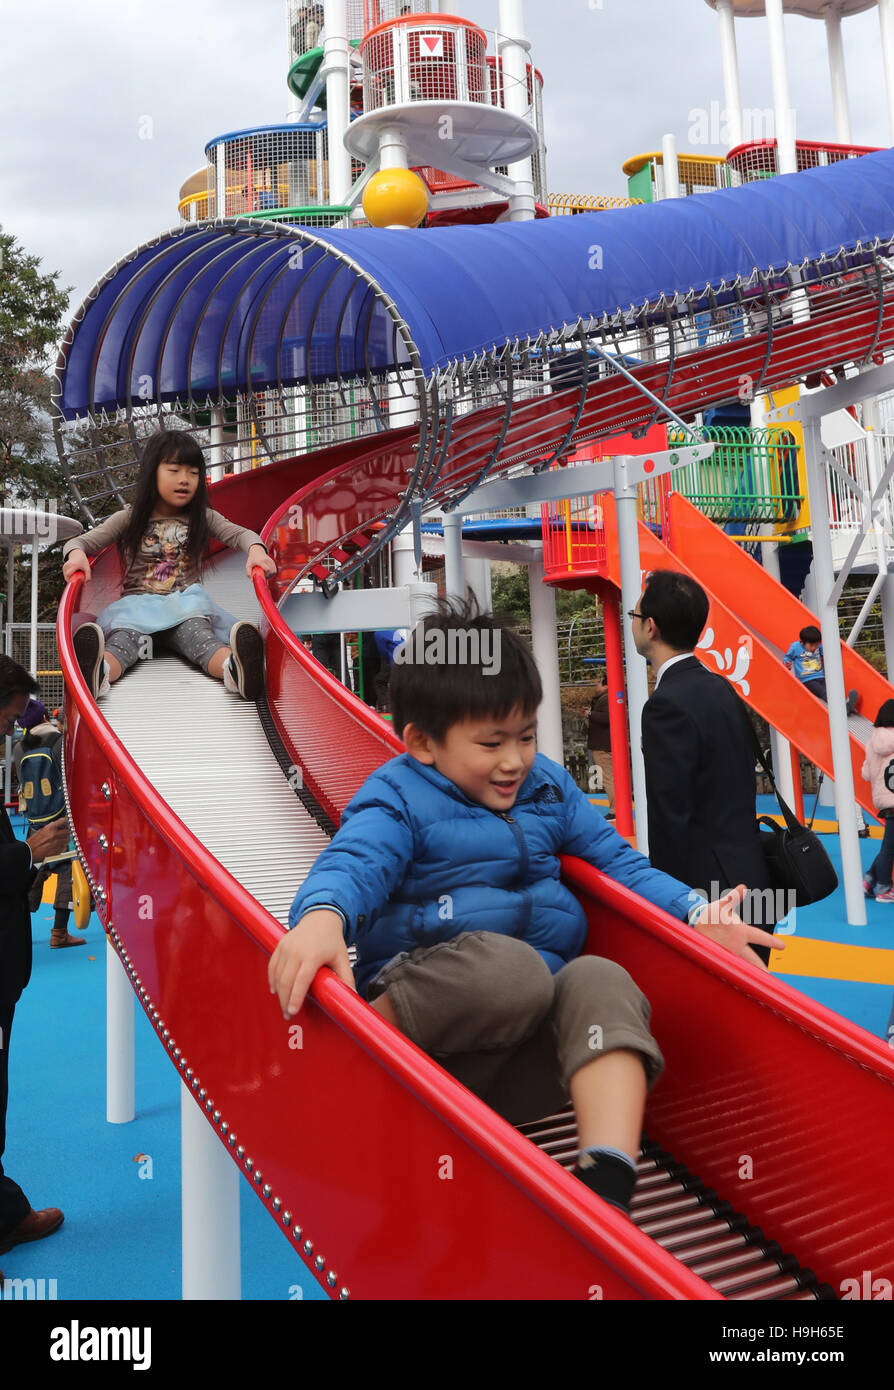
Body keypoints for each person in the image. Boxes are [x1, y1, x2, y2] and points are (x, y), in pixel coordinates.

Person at [269, 598, 780, 1216]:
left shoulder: (547, 789)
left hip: (518, 1060)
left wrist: (698, 913)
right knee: (510, 970)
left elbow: (619, 862)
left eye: (527, 736)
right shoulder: (398, 796)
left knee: (601, 979)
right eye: (491, 742)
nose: (514, 760)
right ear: (423, 743)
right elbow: (355, 860)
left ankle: (607, 1184)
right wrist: (324, 915)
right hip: (433, 1029)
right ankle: (359, 1058)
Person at [61, 430, 277, 702]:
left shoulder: (202, 517)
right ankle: (98, 672)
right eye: (174, 470)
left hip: (183, 607)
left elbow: (241, 534)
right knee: (123, 645)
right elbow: (81, 542)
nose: (184, 480)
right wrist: (76, 555)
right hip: (137, 610)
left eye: (193, 473)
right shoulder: (130, 517)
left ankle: (234, 669)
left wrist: (256, 551)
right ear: (153, 473)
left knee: (201, 641)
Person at [635, 570, 778, 960]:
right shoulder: (721, 687)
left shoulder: (665, 705)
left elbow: (669, 818)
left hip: (706, 895)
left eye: (634, 615)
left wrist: (670, 902)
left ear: (650, 627)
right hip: (752, 878)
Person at [0, 658, 68, 1277]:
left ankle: (4, 1211)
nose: (11, 726)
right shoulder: (39, 754)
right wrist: (29, 851)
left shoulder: (25, 755)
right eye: (10, 711)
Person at [12, 700, 83, 949]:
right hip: (62, 814)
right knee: (66, 871)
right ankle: (60, 932)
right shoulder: (59, 741)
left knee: (36, 866)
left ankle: (21, 925)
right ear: (44, 715)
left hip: (35, 818)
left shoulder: (19, 748)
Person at [783, 625, 859, 714]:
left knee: (833, 689)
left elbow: (827, 653)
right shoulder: (795, 647)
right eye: (811, 645)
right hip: (807, 680)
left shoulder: (818, 647)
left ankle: (846, 704)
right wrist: (787, 663)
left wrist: (835, 647)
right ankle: (841, 709)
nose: (814, 648)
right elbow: (788, 657)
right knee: (823, 692)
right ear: (803, 642)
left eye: (816, 645)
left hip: (821, 676)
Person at [861, 699, 894, 902]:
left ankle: (870, 879)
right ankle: (883, 888)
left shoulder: (872, 742)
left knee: (889, 844)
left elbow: (866, 772)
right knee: (889, 847)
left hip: (883, 798)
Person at [586, 675, 614, 819]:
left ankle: (614, 809)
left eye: (598, 683)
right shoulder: (608, 698)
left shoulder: (606, 699)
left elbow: (606, 717)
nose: (596, 685)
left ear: (606, 686)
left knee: (608, 777)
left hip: (603, 745)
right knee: (612, 776)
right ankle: (617, 807)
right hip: (606, 743)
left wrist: (590, 714)